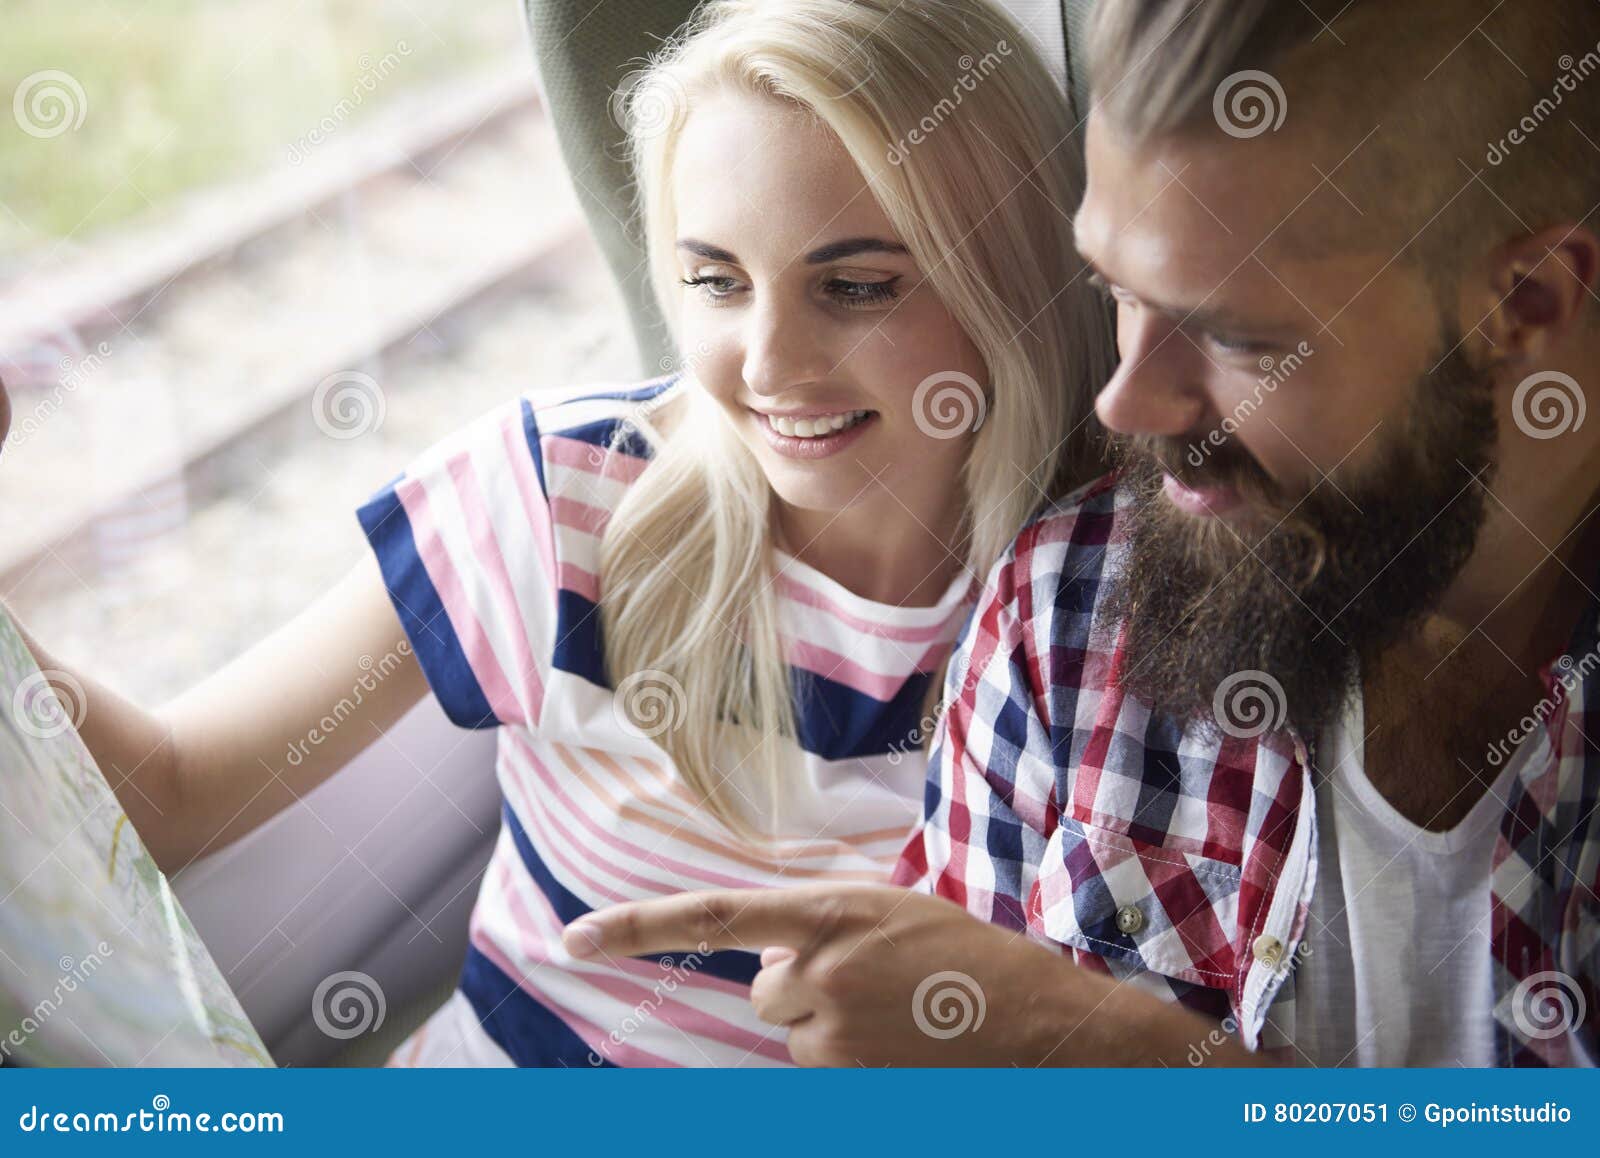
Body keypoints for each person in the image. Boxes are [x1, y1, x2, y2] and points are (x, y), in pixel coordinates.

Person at [0, 0, 1113, 1066]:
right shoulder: (557, 498)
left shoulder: (1092, 619)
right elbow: (173, 792)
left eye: (856, 286)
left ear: (1008, 273)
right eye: (716, 283)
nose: (769, 366)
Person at [564, 0, 1600, 1069]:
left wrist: (1116, 1056)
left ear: (1524, 301)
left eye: (1236, 337)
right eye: (1117, 293)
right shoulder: (1066, 605)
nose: (1123, 407)